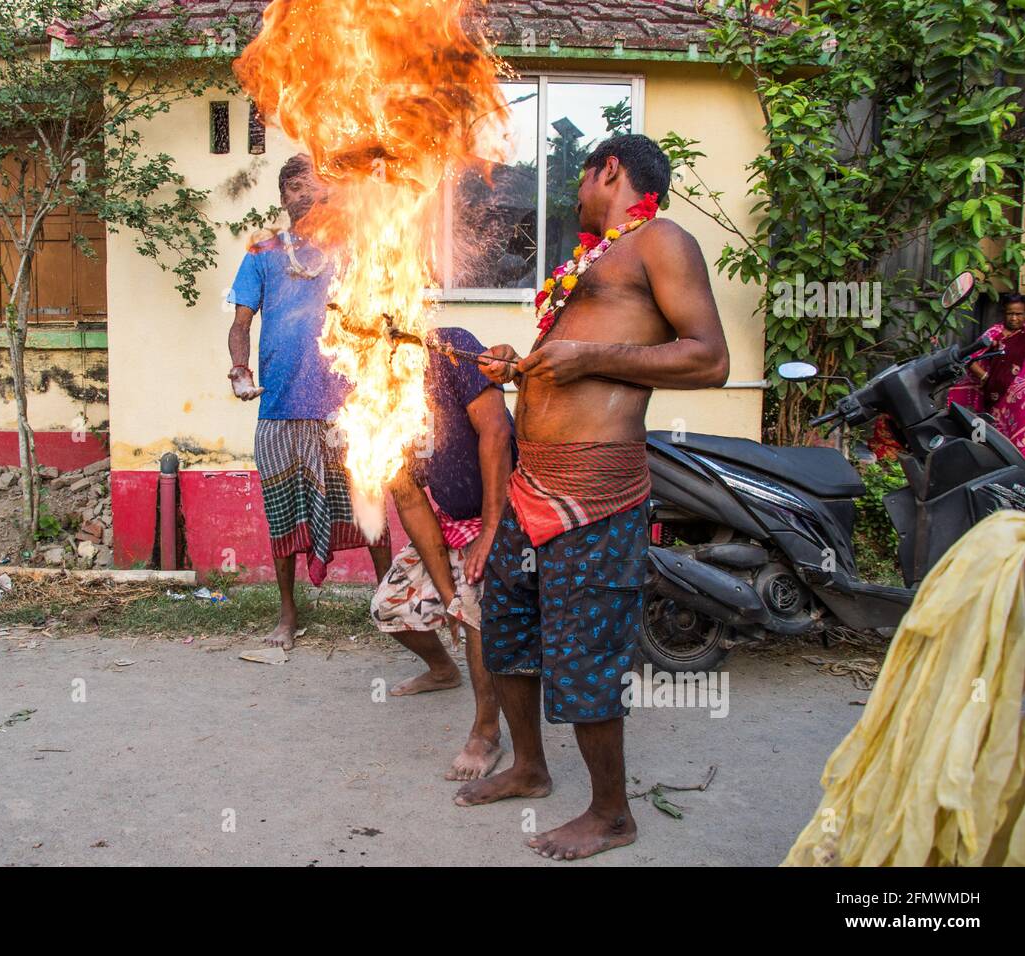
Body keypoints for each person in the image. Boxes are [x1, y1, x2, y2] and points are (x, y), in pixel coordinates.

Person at [464, 133, 730, 860]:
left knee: (582, 653)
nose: (573, 194)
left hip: (597, 490)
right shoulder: (591, 258)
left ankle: (612, 813)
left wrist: (587, 356)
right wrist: (522, 368)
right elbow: (574, 363)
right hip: (531, 481)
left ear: (609, 169)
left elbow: (709, 357)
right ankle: (528, 767)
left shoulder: (661, 240)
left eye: (580, 179)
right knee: (509, 633)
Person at [227, 155, 391, 650]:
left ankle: (390, 604)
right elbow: (240, 325)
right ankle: (287, 615)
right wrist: (239, 370)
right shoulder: (262, 251)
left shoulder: (353, 251)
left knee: (370, 509)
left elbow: (380, 317)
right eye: (295, 187)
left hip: (346, 408)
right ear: (282, 198)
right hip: (279, 406)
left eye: (314, 187)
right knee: (282, 514)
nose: (306, 195)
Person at [371, 327, 515, 780]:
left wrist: (491, 529)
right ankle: (442, 670)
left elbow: (495, 431)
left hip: (508, 510)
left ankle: (487, 730)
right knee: (387, 607)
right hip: (453, 526)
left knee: (474, 607)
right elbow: (410, 501)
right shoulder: (373, 395)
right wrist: (446, 592)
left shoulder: (449, 346)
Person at [948, 293, 1025, 461]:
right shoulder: (994, 333)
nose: (1014, 318)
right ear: (1004, 313)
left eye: (1019, 314)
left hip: (1023, 405)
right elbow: (970, 358)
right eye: (1010, 313)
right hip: (997, 400)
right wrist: (985, 377)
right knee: (998, 438)